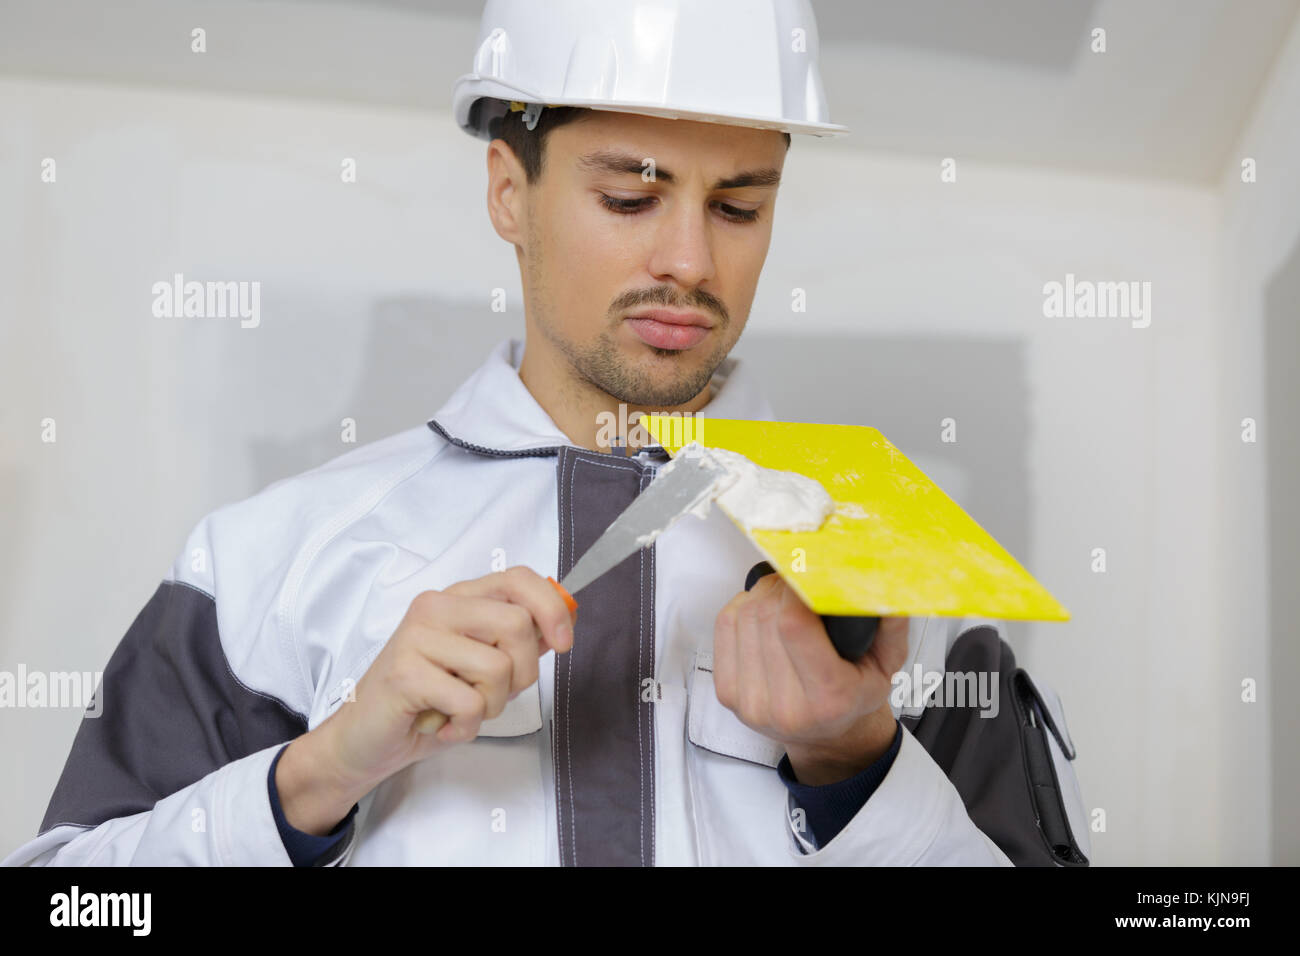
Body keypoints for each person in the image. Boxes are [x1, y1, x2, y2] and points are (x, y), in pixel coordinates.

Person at [4, 0, 1089, 867]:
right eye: (630, 197)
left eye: (738, 207)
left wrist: (857, 766)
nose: (691, 264)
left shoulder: (906, 584)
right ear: (508, 191)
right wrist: (318, 774)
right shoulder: (262, 566)